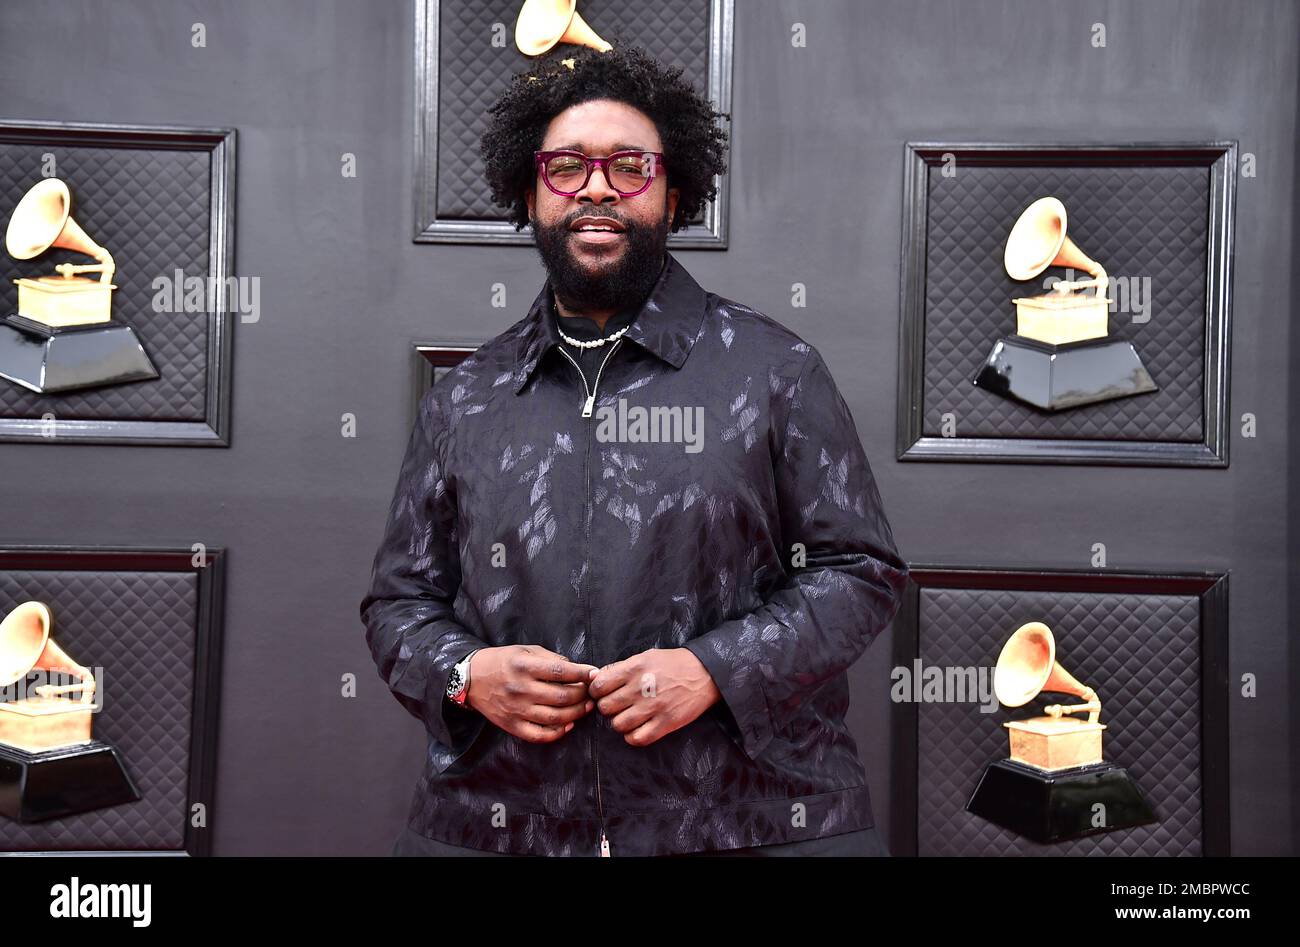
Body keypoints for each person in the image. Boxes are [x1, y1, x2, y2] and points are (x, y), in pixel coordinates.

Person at [361, 43, 908, 857]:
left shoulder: (776, 370)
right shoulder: (465, 396)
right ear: (529, 190)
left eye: (629, 167)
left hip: (756, 820)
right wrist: (467, 675)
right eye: (567, 167)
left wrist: (717, 669)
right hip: (496, 823)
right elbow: (398, 604)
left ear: (673, 192)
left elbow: (861, 572)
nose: (596, 187)